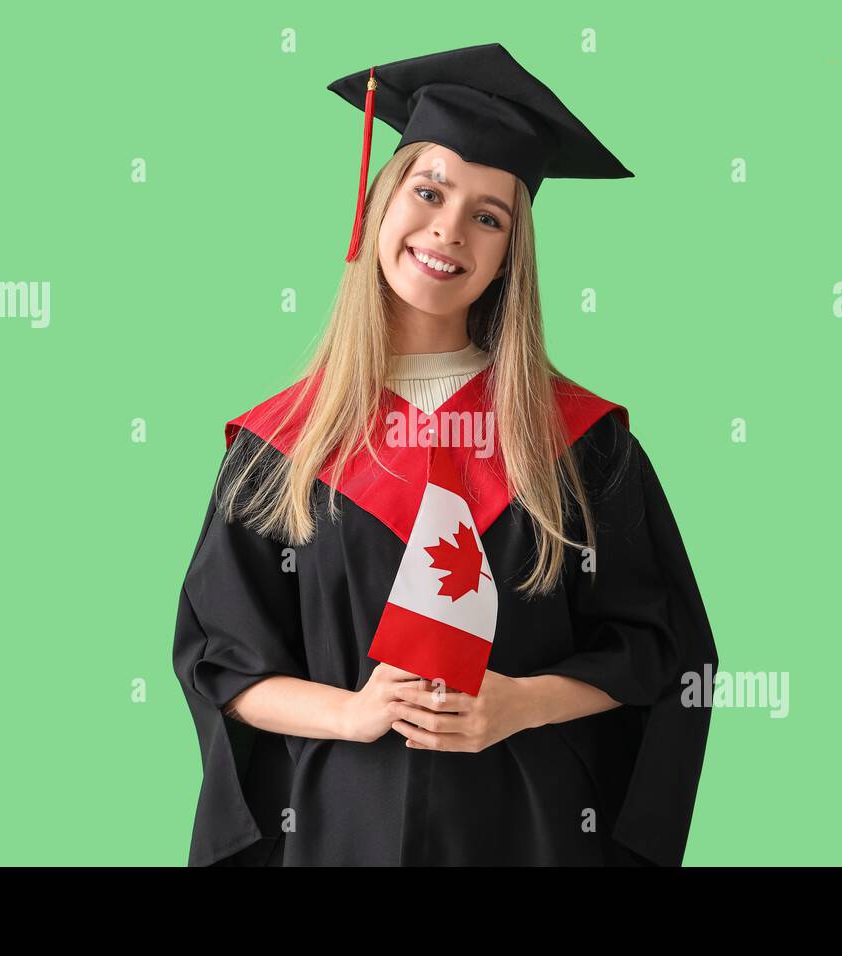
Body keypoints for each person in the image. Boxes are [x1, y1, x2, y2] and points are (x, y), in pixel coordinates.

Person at [172, 42, 719, 866]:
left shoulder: (580, 441)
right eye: (428, 191)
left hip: (531, 833)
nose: (448, 229)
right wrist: (352, 713)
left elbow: (657, 647)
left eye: (488, 216)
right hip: (335, 833)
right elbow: (225, 665)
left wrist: (518, 704)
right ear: (379, 204)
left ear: (509, 255)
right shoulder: (279, 446)